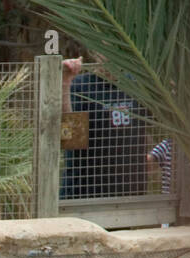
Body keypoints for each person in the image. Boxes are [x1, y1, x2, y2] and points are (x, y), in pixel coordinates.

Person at [59, 55, 149, 199]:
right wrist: (65, 82)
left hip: (131, 196)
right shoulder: (80, 86)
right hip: (84, 195)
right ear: (94, 53)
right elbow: (71, 139)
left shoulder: (137, 85)